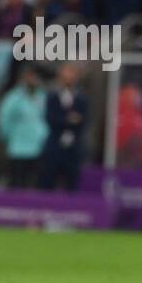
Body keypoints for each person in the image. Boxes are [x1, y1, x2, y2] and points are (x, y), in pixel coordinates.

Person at [0, 64, 49, 188]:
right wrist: (7, 138)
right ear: (24, 77)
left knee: (35, 185)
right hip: (18, 148)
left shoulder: (43, 97)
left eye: (35, 76)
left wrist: (45, 137)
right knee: (17, 184)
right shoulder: (13, 98)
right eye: (30, 76)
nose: (33, 79)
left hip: (38, 148)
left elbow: (46, 120)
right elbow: (4, 119)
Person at [40, 63, 88, 192]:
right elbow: (50, 118)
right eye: (67, 72)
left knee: (72, 184)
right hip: (54, 147)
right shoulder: (52, 96)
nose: (70, 76)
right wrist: (68, 120)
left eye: (73, 73)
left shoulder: (81, 98)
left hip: (73, 148)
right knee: (48, 182)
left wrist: (73, 121)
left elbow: (84, 121)